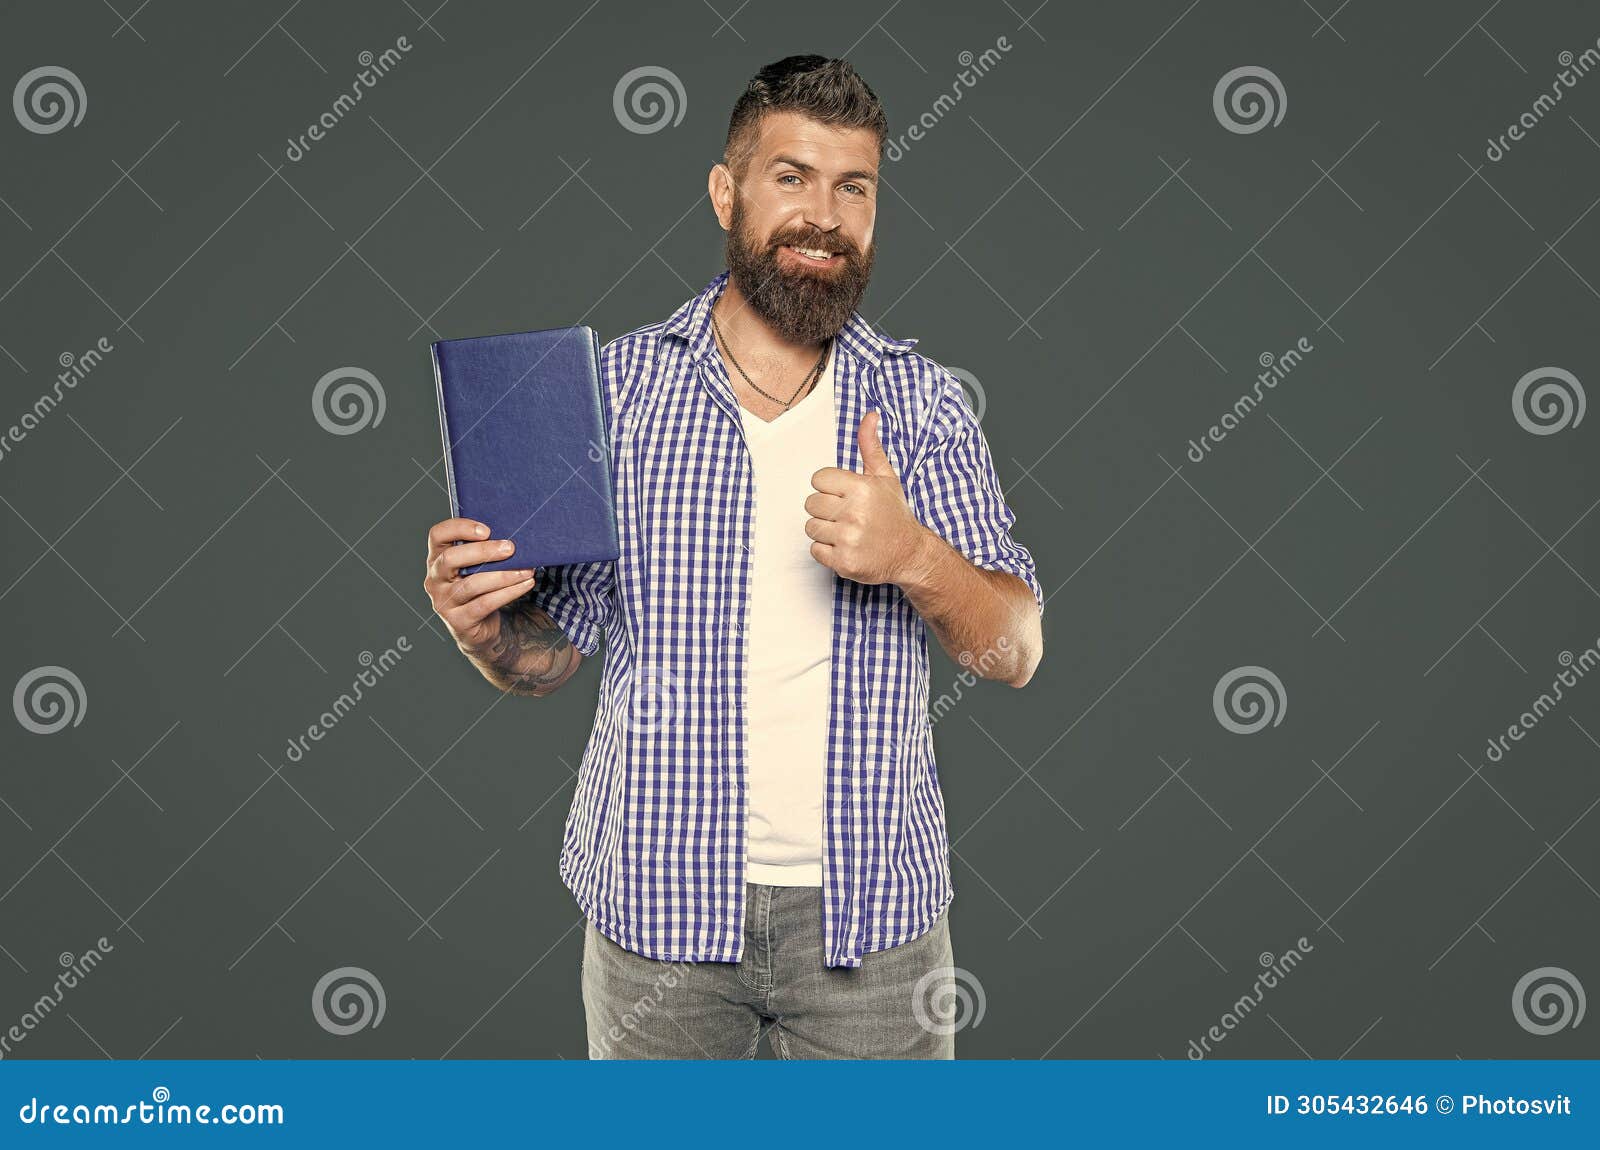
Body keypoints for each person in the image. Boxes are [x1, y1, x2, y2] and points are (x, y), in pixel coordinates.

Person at [422, 54, 1044, 1059]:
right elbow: (550, 655)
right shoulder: (615, 394)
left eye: (854, 187)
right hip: (654, 918)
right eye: (791, 177)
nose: (823, 216)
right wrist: (485, 631)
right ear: (726, 192)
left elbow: (1014, 650)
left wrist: (914, 555)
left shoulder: (923, 404)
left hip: (875, 927)